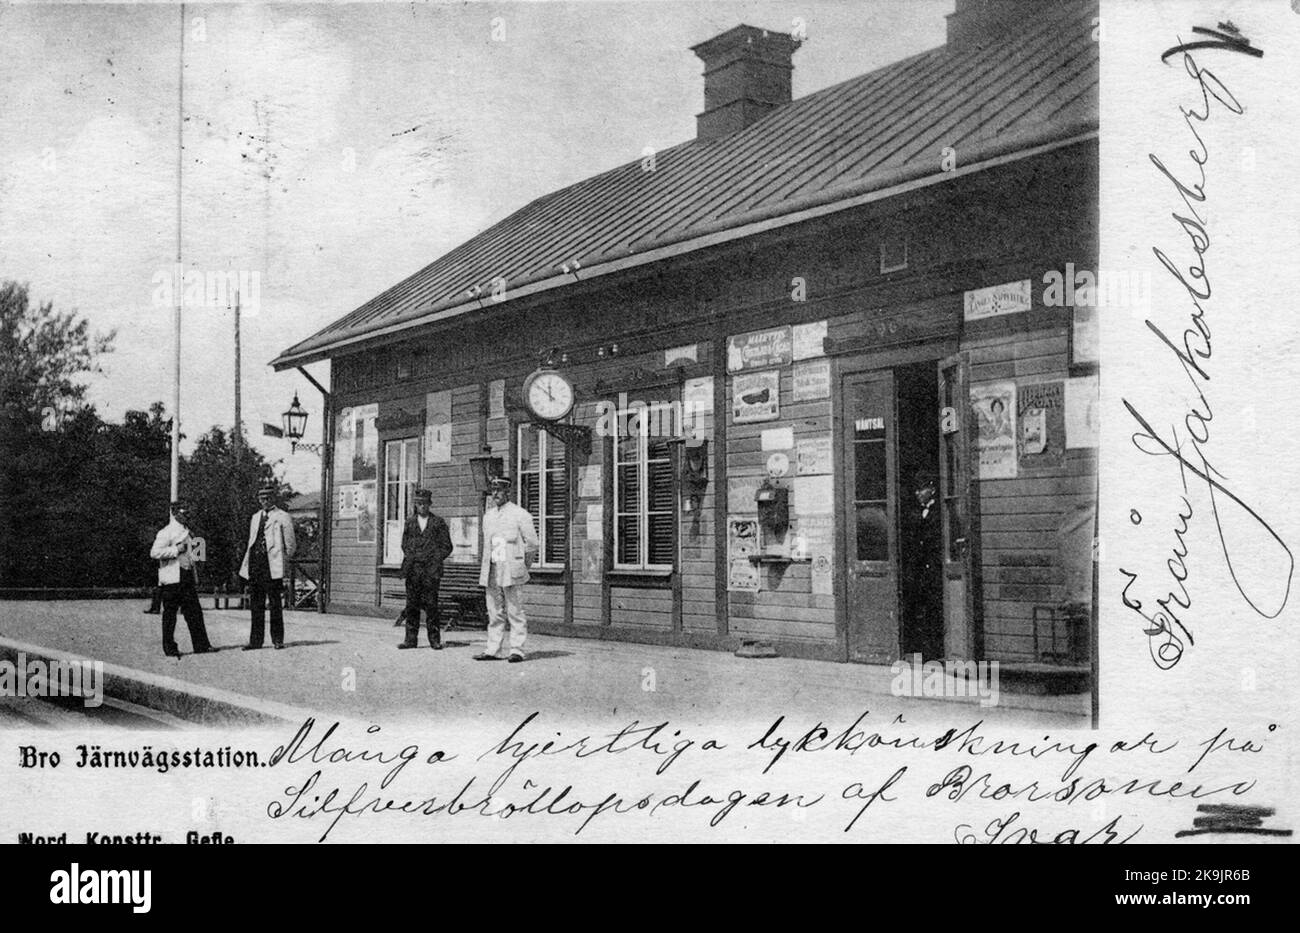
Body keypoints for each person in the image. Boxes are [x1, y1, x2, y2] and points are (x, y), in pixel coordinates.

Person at [475, 475, 538, 663]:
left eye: (499, 490)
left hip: (511, 566)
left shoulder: (520, 514)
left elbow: (533, 544)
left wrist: (523, 566)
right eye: (493, 490)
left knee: (515, 610)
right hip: (493, 565)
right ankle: (493, 649)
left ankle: (517, 650)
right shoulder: (489, 516)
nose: (495, 494)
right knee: (493, 610)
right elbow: (488, 544)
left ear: (507, 492)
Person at [149, 500, 215, 657]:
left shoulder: (189, 531)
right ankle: (169, 648)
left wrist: (198, 558)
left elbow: (195, 556)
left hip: (186, 576)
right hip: (172, 577)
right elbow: (154, 553)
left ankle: (201, 645)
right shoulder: (166, 532)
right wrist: (175, 550)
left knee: (194, 612)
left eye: (189, 513)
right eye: (184, 513)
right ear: (174, 513)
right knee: (170, 614)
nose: (188, 516)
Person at [238, 481, 297, 650]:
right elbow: (252, 540)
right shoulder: (256, 517)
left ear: (273, 498)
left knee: (274, 603)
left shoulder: (282, 516)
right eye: (261, 497)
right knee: (256, 603)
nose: (264, 500)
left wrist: (282, 560)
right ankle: (255, 640)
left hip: (272, 565)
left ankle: (277, 639)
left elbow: (291, 544)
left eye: (267, 497)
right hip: (256, 564)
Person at [399, 488, 452, 650]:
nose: (422, 506)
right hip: (413, 570)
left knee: (431, 606)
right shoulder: (410, 522)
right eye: (419, 504)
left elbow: (447, 546)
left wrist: (434, 558)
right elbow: (404, 544)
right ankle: (410, 640)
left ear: (429, 504)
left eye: (425, 504)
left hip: (430, 571)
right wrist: (412, 556)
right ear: (416, 505)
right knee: (412, 605)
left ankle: (434, 640)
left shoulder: (438, 523)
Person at [903, 471, 944, 660]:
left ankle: (935, 650)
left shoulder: (940, 512)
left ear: (932, 490)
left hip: (935, 569)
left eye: (922, 489)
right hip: (919, 570)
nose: (918, 493)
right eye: (916, 490)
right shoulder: (915, 513)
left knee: (935, 608)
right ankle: (921, 648)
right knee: (920, 607)